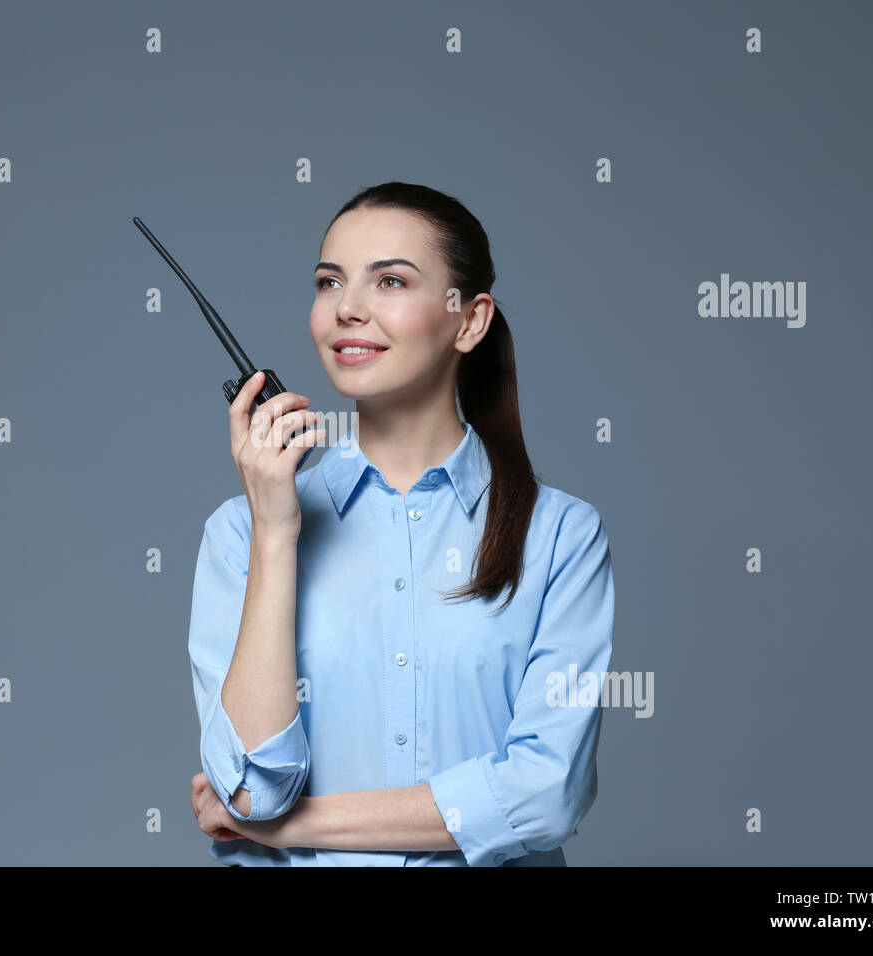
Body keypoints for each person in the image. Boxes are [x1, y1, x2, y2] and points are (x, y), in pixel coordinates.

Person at [187, 182, 615, 866]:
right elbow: (252, 793)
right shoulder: (240, 536)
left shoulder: (560, 536)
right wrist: (275, 533)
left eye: (390, 280)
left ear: (469, 321)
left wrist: (293, 828)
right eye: (330, 282)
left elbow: (545, 795)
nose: (347, 309)